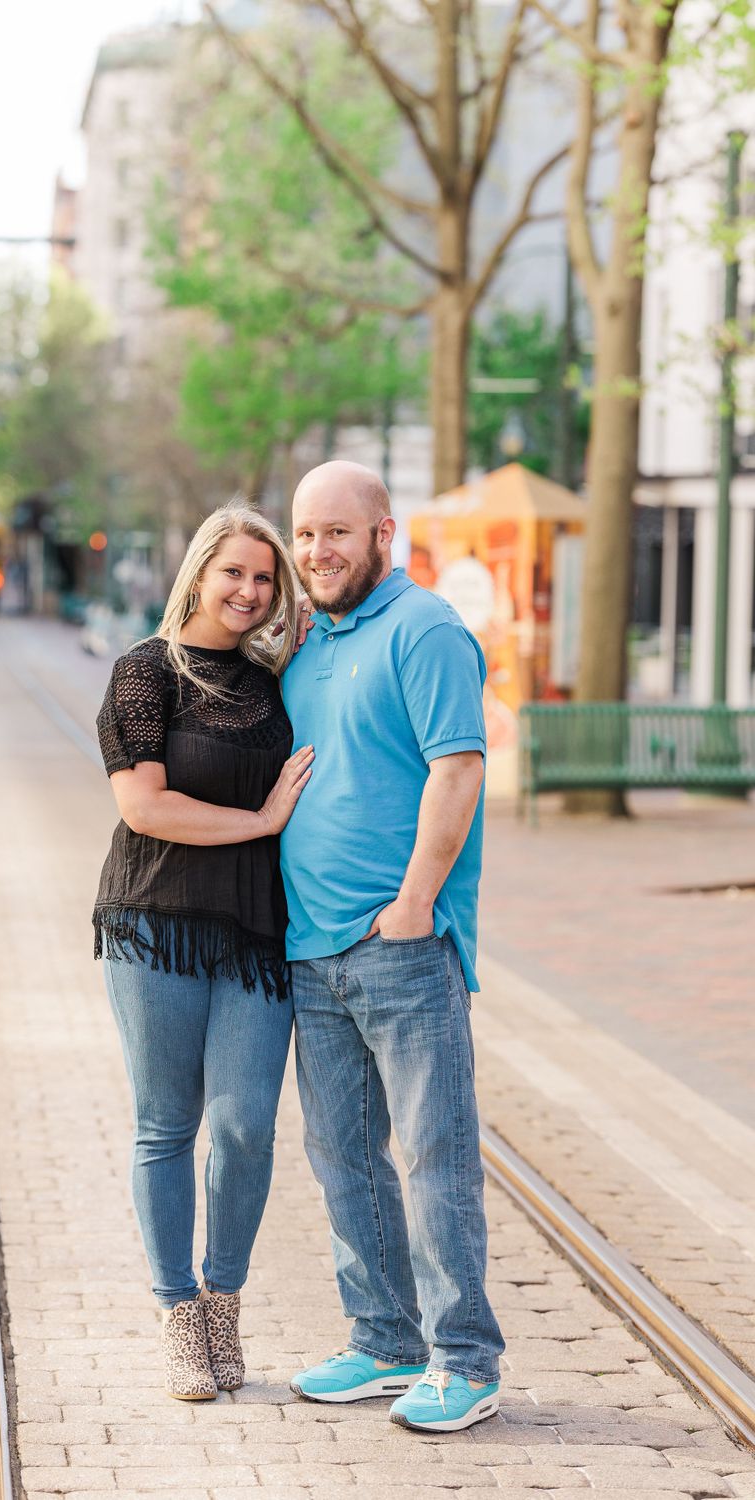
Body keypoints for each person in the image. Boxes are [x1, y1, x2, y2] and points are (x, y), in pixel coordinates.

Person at [281, 460, 505, 1433]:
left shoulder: (425, 629)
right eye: (304, 534)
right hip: (310, 948)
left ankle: (466, 1362)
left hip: (401, 946)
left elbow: (458, 768)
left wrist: (415, 904)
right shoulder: (308, 642)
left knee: (434, 1156)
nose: (317, 551)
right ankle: (383, 1342)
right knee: (342, 1155)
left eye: (336, 531)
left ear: (383, 533)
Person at [93, 500, 313, 1402]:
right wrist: (260, 820)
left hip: (257, 929)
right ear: (199, 574)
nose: (249, 591)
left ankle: (224, 1299)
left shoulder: (276, 680)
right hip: (158, 923)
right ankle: (178, 1311)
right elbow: (143, 807)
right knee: (166, 1124)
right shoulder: (145, 673)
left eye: (265, 579)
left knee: (246, 1126)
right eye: (234, 573)